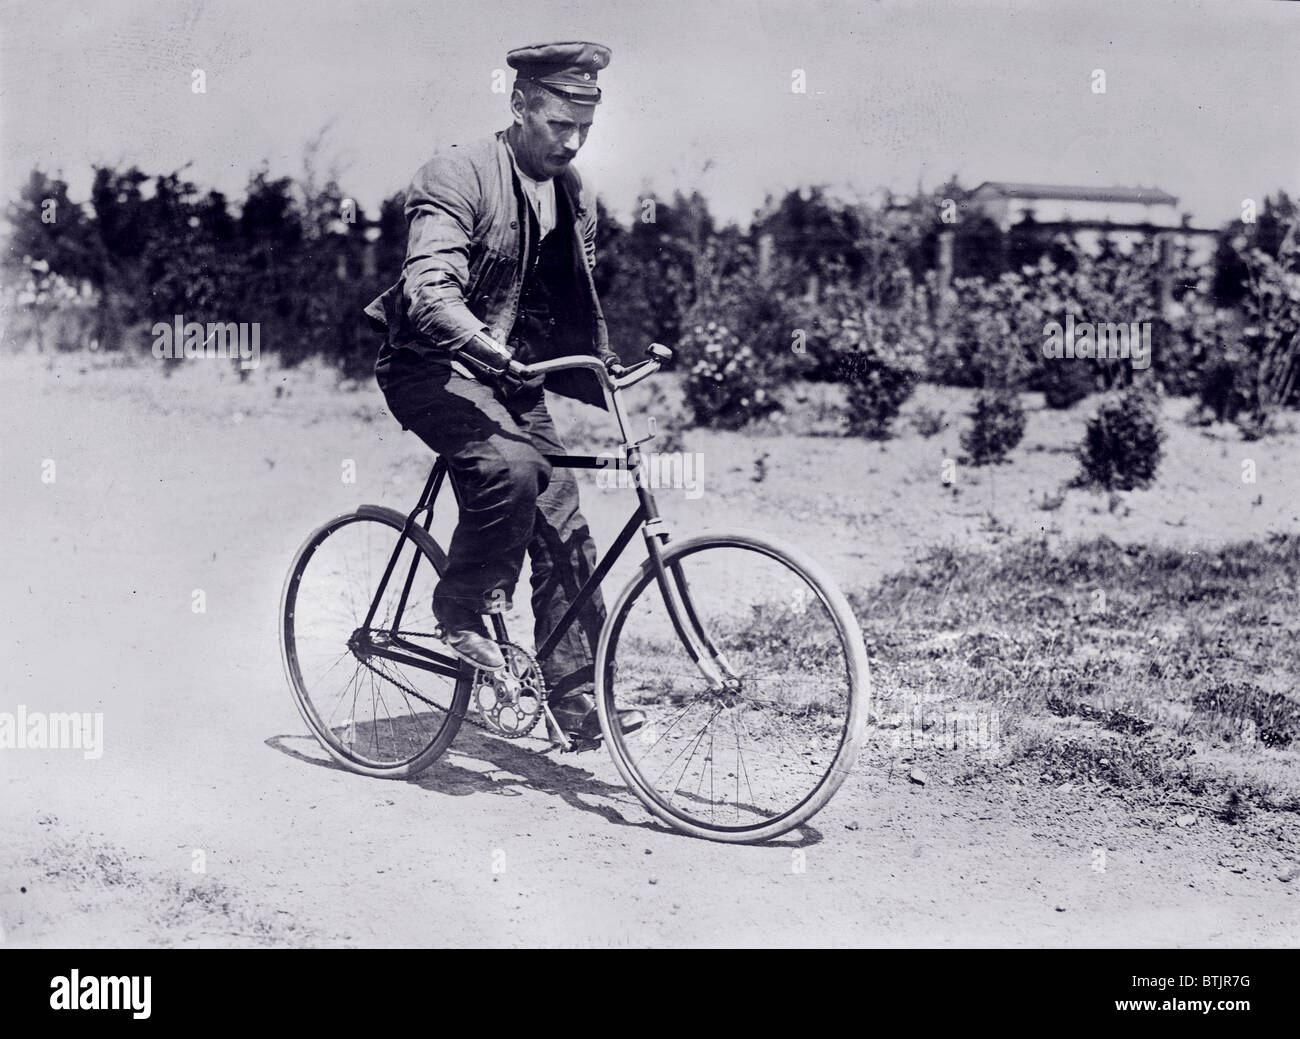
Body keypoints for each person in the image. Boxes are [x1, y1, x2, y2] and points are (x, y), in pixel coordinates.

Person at [364, 41, 643, 743]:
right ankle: (460, 609)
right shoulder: (454, 175)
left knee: (564, 521)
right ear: (518, 107)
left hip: (507, 374)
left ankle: (578, 698)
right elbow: (429, 293)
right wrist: (487, 347)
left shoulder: (573, 194)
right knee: (511, 468)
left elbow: (551, 296)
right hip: (429, 367)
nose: (572, 142)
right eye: (558, 124)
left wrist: (597, 362)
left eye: (584, 129)